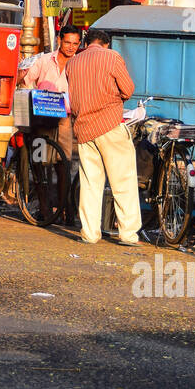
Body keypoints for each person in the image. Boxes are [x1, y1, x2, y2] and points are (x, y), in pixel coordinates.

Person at [66, 28, 140, 245]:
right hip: (109, 125)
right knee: (122, 180)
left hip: (84, 129)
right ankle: (128, 234)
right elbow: (128, 90)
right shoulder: (112, 57)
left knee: (90, 183)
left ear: (87, 43)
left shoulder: (73, 63)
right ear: (106, 44)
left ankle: (89, 233)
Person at [20, 23, 80, 158]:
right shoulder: (44, 60)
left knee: (64, 158)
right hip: (42, 114)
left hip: (64, 117)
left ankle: (62, 179)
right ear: (59, 40)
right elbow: (25, 80)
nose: (71, 47)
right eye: (67, 43)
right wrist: (21, 71)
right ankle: (37, 178)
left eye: (75, 44)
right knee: (39, 157)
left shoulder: (79, 65)